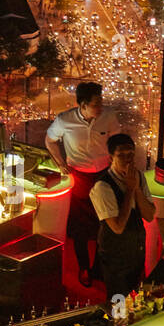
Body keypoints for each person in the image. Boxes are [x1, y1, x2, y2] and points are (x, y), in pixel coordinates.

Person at [45, 81, 121, 287]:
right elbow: (49, 140)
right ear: (82, 105)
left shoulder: (108, 117)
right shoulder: (64, 120)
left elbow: (116, 142)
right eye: (96, 104)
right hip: (79, 175)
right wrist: (61, 164)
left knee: (103, 223)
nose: (101, 107)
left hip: (103, 175)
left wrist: (115, 166)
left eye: (101, 102)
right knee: (80, 226)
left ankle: (98, 267)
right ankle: (83, 267)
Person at [90, 133, 156, 299]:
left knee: (134, 296)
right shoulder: (102, 186)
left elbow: (149, 215)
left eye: (131, 154)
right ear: (111, 157)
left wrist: (137, 188)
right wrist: (130, 190)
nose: (128, 159)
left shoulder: (138, 176)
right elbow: (117, 227)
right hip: (115, 255)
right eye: (121, 155)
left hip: (136, 250)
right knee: (118, 300)